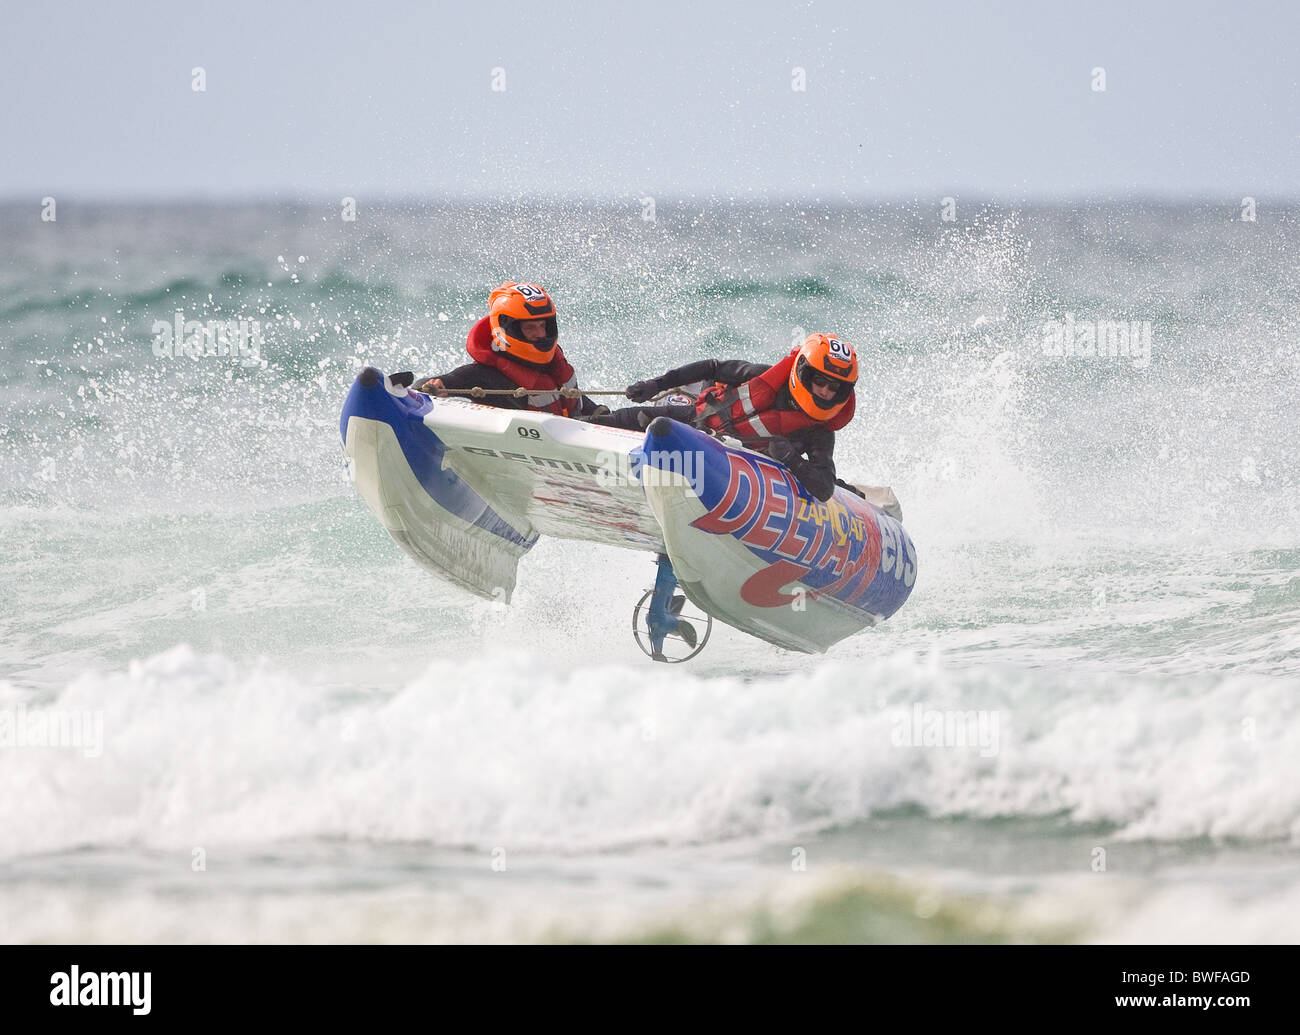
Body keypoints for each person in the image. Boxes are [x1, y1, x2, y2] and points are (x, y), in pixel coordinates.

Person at [586, 333, 859, 501]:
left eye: (833, 387)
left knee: (656, 426)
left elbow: (824, 488)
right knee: (629, 419)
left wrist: (791, 460)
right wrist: (657, 384)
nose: (824, 391)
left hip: (738, 469)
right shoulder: (761, 376)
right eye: (818, 380)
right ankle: (573, 427)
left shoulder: (819, 431)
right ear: (803, 373)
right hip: (695, 422)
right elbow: (712, 368)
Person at [413, 282, 601, 417]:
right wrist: (432, 386)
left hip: (576, 437)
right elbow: (431, 385)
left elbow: (571, 398)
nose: (540, 334)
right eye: (530, 328)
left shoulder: (553, 360)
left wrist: (600, 414)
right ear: (506, 329)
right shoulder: (484, 375)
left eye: (543, 325)